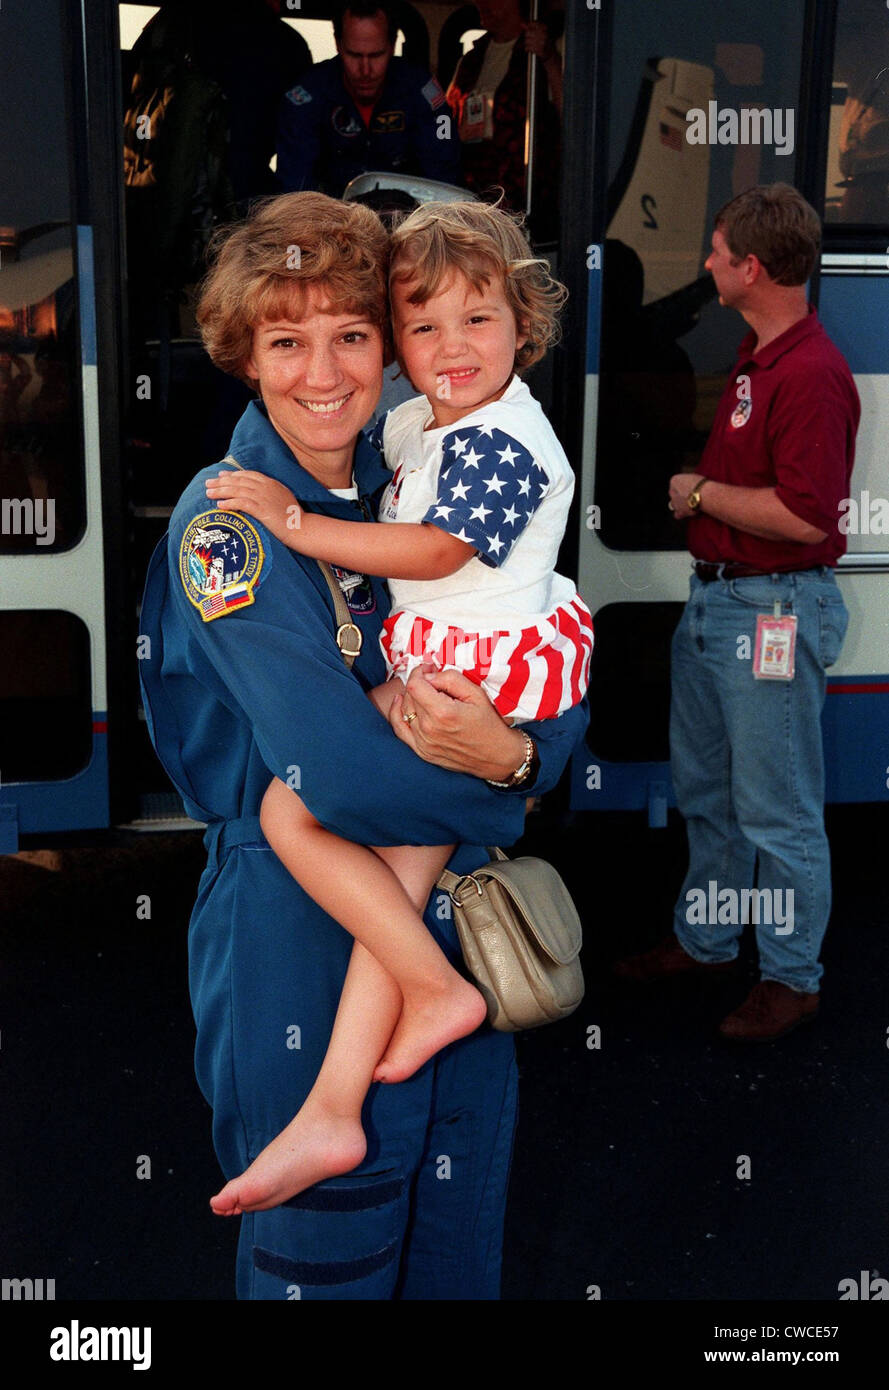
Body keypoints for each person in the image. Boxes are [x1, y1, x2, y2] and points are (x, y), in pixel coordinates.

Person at [137, 191, 588, 1299]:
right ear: (244, 356)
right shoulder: (231, 523)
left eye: (351, 334)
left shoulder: (415, 477)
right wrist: (504, 773)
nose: (324, 371)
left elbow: (552, 696)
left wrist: (522, 757)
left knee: (451, 1261)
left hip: (456, 942)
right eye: (286, 341)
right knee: (324, 1266)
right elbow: (328, 774)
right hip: (304, 934)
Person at [615, 184, 860, 1042]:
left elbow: (804, 517)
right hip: (724, 603)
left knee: (777, 810)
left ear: (749, 267)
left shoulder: (810, 375)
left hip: (768, 613)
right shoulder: (761, 355)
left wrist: (700, 491)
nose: (708, 263)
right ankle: (710, 941)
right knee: (709, 794)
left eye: (716, 251)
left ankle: (792, 979)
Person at [276, 1, 460, 198]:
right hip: (329, 220)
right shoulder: (305, 98)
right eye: (354, 55)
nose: (365, 71)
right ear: (338, 44)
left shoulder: (425, 94)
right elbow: (294, 188)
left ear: (392, 45)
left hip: (410, 220)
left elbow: (445, 171)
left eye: (376, 55)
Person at [446, 0, 560, 227]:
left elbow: (571, 116)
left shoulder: (542, 54)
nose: (481, 3)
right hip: (471, 194)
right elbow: (445, 119)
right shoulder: (470, 59)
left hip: (520, 198)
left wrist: (549, 57)